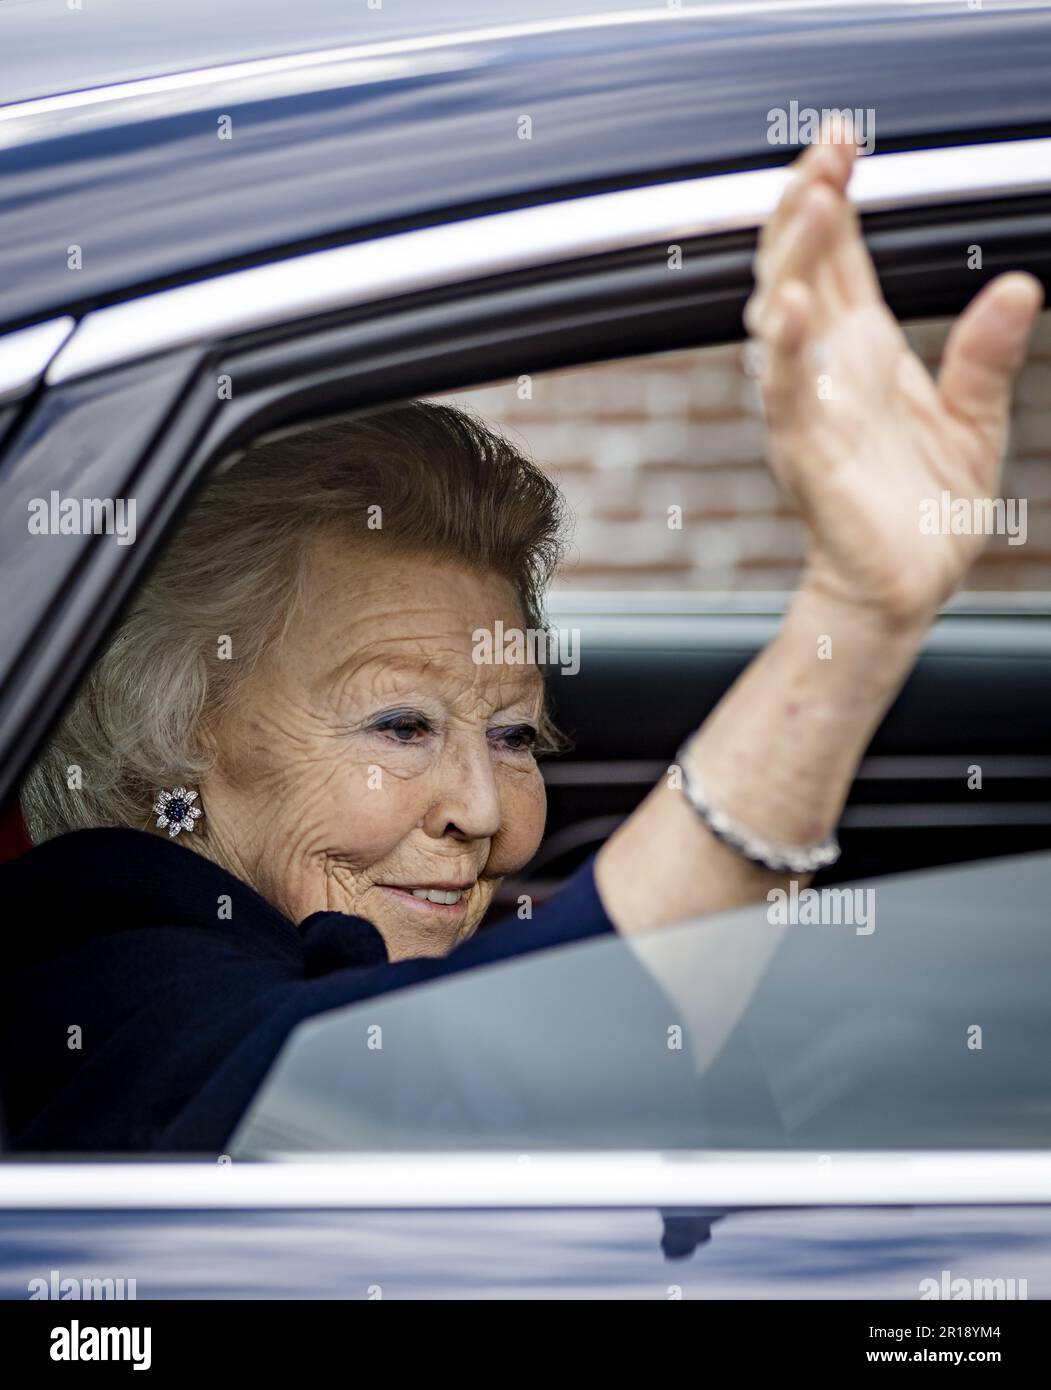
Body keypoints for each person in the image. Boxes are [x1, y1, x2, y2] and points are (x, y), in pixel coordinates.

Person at [1, 132, 1041, 1151]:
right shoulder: (108, 990)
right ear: (169, 746)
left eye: (511, 735)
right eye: (400, 725)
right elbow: (431, 1097)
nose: (484, 811)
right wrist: (855, 620)